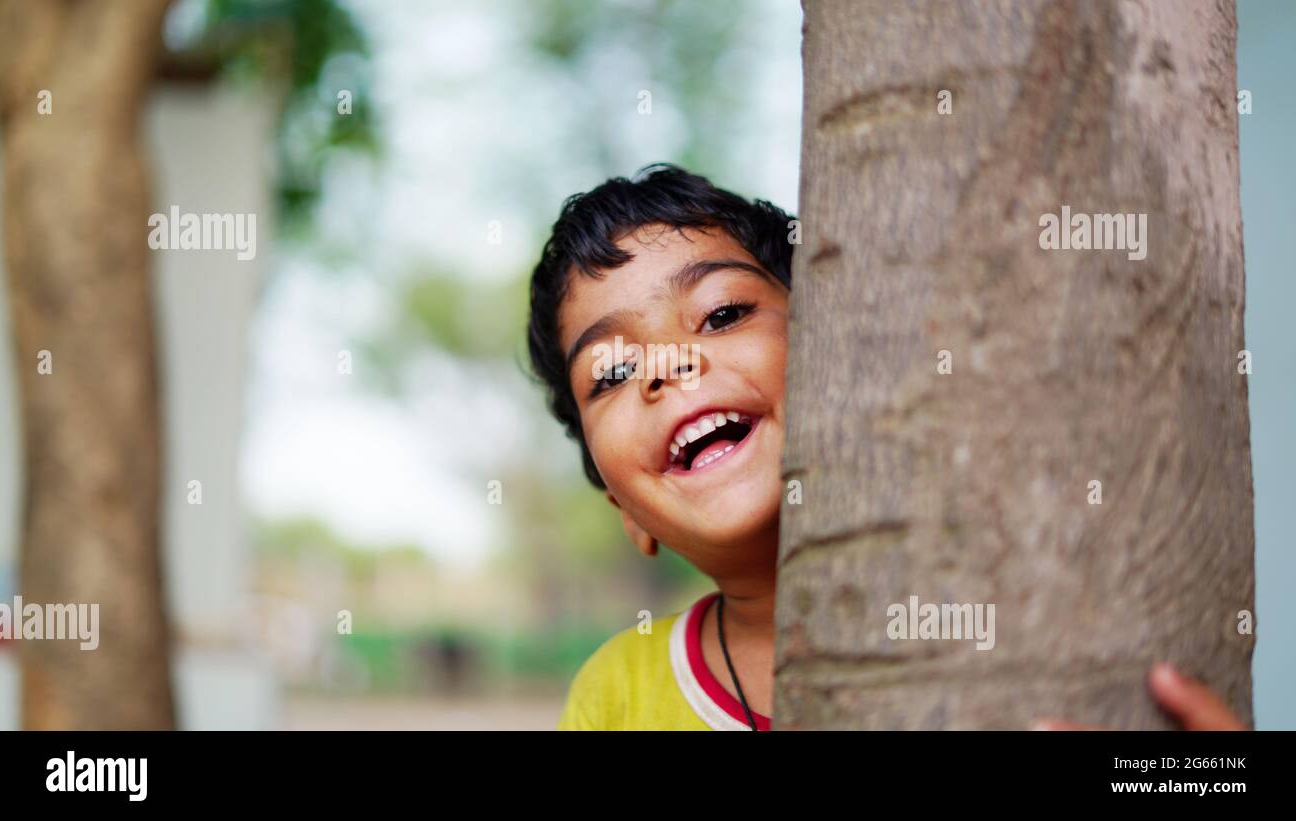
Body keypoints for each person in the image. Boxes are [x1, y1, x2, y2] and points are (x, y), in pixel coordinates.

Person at [526, 163, 1244, 731]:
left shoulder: (1007, 608)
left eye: (722, 314)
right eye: (613, 372)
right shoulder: (615, 697)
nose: (668, 369)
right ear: (624, 508)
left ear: (833, 348)